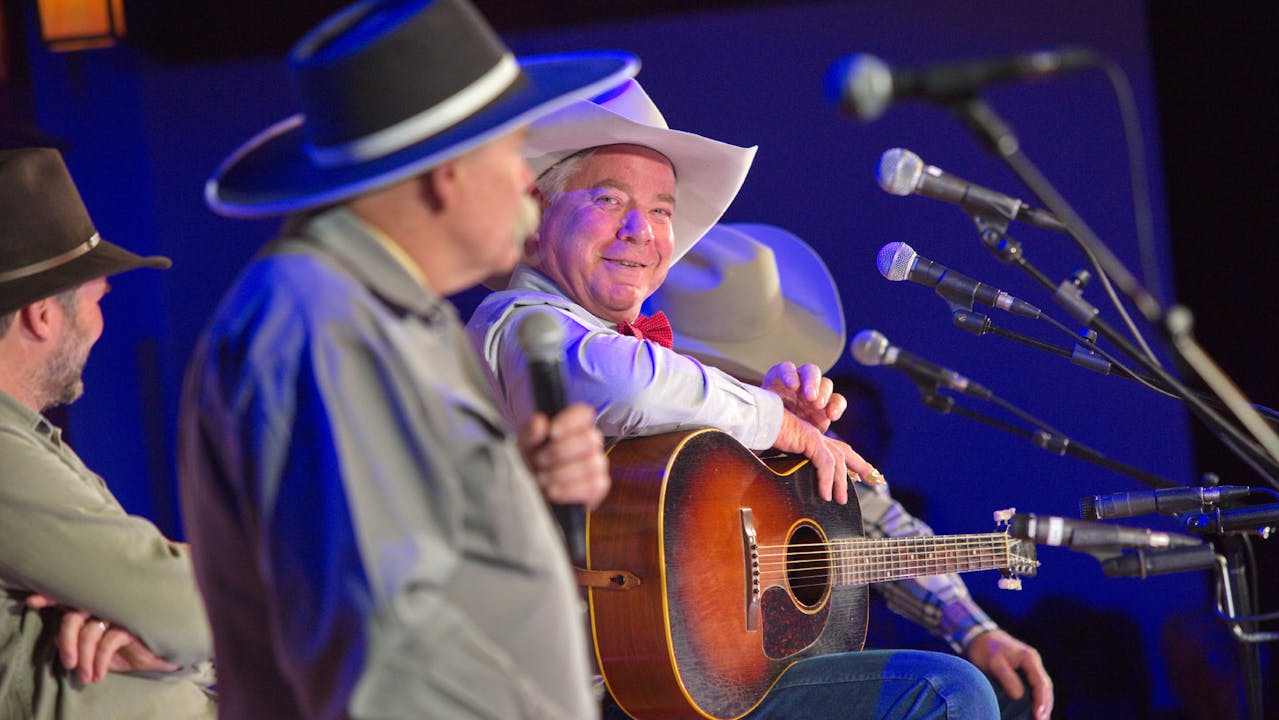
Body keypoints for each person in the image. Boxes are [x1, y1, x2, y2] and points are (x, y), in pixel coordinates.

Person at [466, 79, 1021, 719]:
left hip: (676, 683)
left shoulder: (673, 381)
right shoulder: (514, 320)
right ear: (534, 217)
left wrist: (786, 461)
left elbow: (867, 513)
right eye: (608, 198)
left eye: (662, 211)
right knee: (942, 696)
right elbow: (624, 382)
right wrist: (773, 422)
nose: (640, 230)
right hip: (577, 694)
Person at [177, 1, 638, 718]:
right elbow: (388, 655)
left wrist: (513, 490)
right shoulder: (321, 324)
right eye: (513, 153)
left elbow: (404, 544)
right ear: (445, 174)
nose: (529, 185)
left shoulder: (384, 314)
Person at [655, 222, 1052, 720]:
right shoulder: (640, 411)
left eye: (752, 376)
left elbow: (887, 526)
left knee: (998, 692)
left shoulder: (795, 422)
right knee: (952, 692)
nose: (750, 393)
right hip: (654, 672)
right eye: (731, 377)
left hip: (759, 678)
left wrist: (978, 632)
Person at [0, 147, 216, 718]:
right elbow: (185, 608)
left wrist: (166, 640)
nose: (100, 324)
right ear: (42, 315)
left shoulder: (24, 439)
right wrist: (169, 614)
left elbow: (178, 610)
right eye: (96, 301)